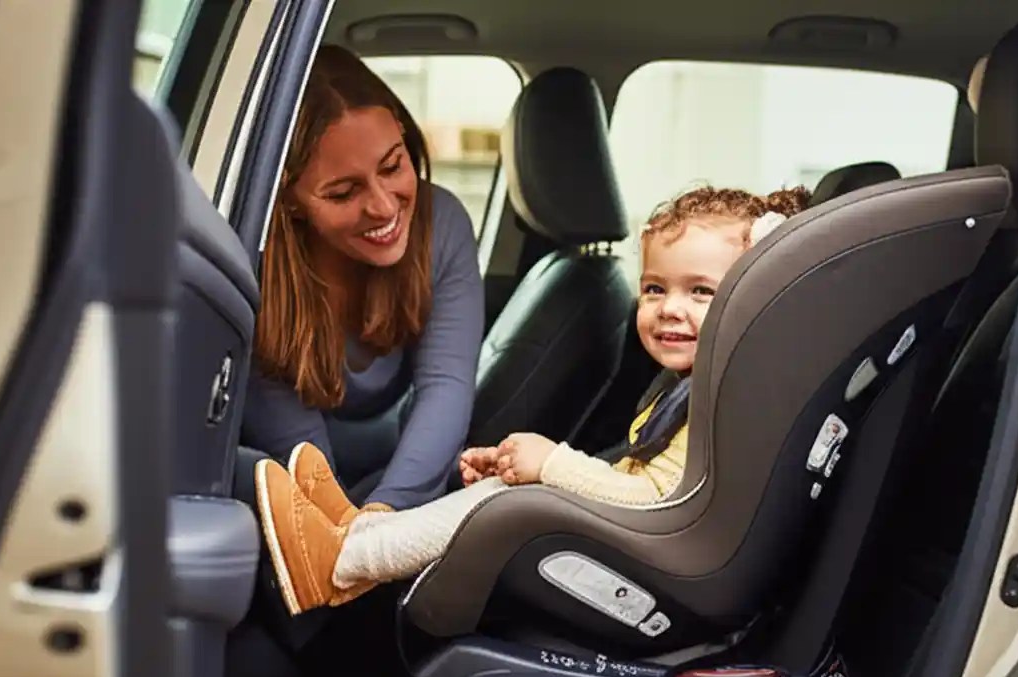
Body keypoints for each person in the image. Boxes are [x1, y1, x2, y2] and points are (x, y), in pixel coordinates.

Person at [255, 184, 811, 615]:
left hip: (663, 573)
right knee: (506, 491)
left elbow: (655, 501)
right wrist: (531, 465)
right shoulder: (692, 382)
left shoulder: (727, 398)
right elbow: (643, 479)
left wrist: (553, 465)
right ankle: (356, 536)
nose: (669, 308)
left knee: (501, 503)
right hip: (653, 546)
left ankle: (341, 564)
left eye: (702, 292)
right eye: (655, 289)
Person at [240, 45, 484, 513]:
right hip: (291, 483)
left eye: (392, 166)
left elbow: (446, 387)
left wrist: (386, 516)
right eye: (344, 192)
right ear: (290, 199)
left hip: (395, 473)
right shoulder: (260, 272)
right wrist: (345, 533)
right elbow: (305, 465)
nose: (385, 207)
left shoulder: (442, 225)